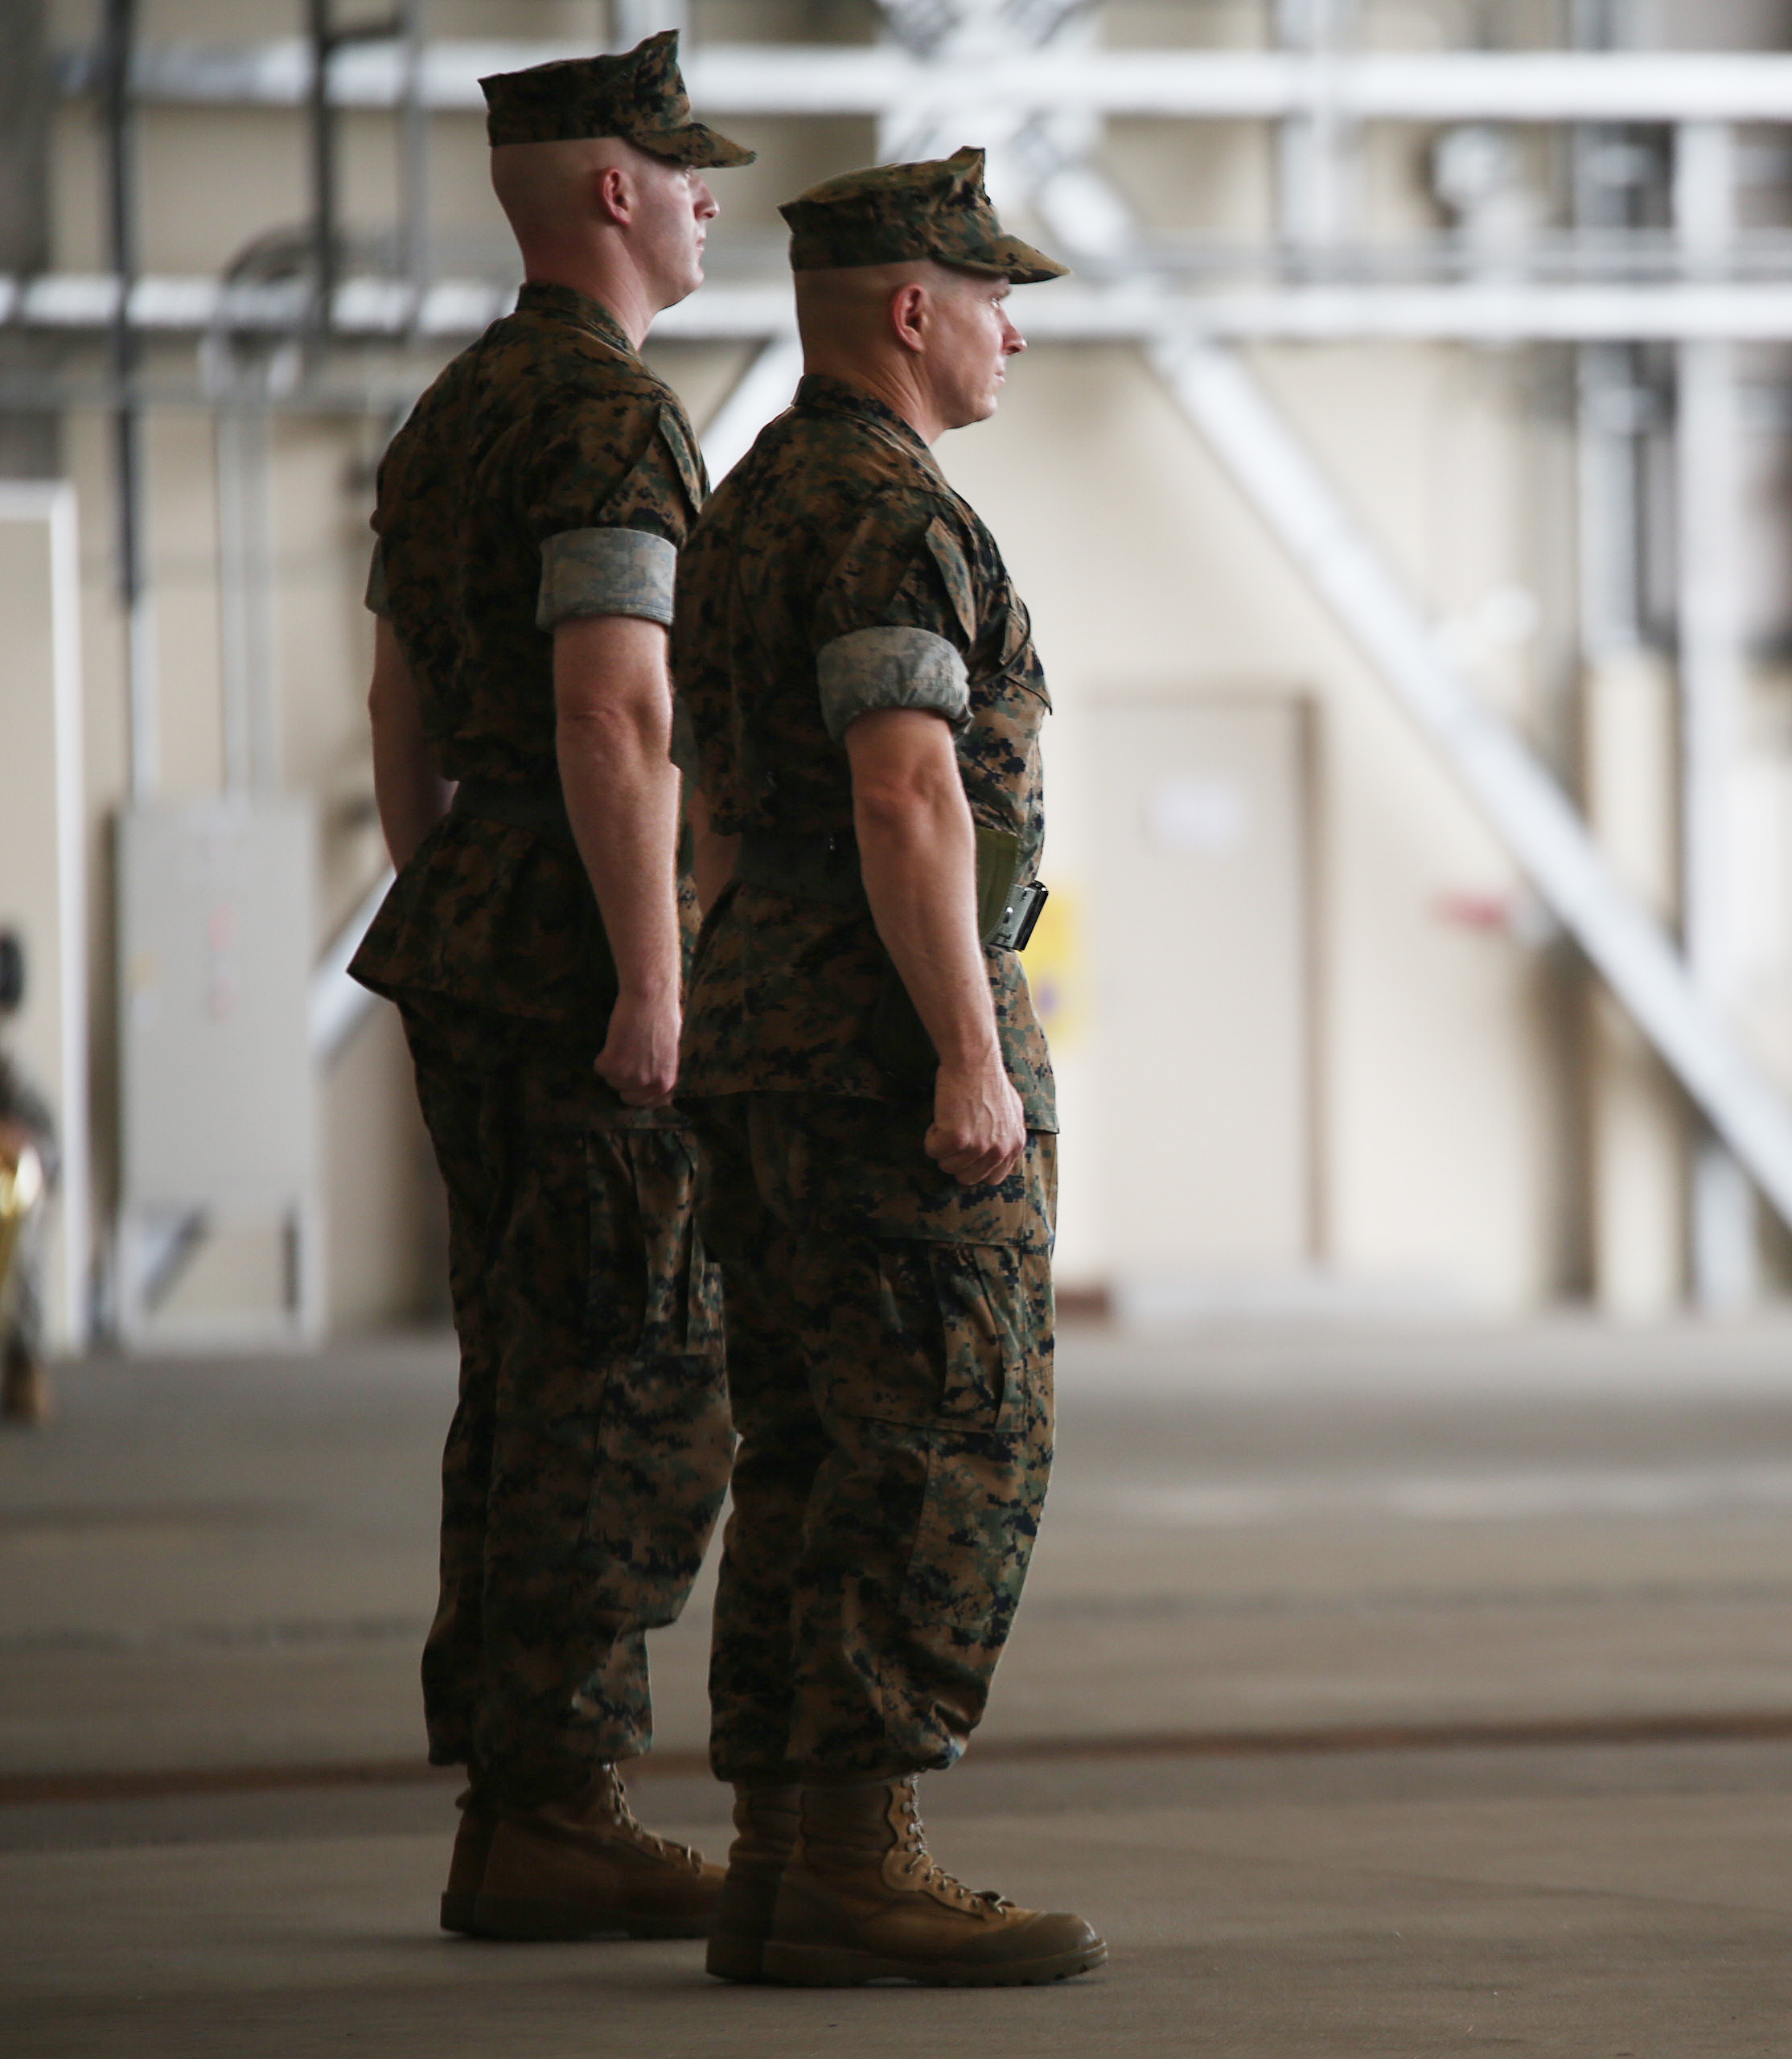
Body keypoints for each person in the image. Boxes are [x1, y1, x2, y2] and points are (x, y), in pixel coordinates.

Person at [673, 150, 1105, 1991]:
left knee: (806, 1438)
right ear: (911, 313)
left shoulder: (757, 493)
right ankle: (858, 1850)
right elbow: (903, 783)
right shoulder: (881, 509)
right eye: (992, 295)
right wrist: (963, 1052)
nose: (1015, 327)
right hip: (875, 1044)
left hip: (763, 1029)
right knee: (944, 1435)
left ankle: (785, 1851)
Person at [349, 31, 747, 1940]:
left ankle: (522, 1795)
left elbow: (396, 717)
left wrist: (462, 913)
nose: (707, 205)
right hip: (586, 940)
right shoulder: (606, 415)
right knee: (630, 1367)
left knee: (520, 1367)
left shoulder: (448, 414)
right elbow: (614, 702)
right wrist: (650, 975)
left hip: (479, 928)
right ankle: (556, 1804)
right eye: (687, 177)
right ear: (615, 191)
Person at [0, 930, 57, 1429]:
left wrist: (21, 1142)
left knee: (26, 1207)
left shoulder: (11, 1067)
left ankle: (26, 1362)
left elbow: (48, 1143)